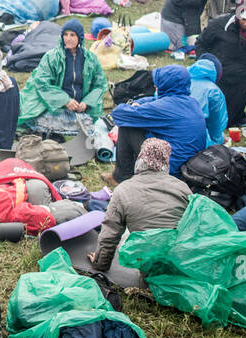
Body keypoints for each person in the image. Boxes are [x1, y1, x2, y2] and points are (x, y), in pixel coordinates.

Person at [91, 138, 191, 273]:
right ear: (166, 162)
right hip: (182, 263)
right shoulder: (182, 187)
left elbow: (110, 234)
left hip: (148, 265)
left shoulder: (123, 189)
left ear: (140, 159)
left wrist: (100, 265)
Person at [108, 65, 206, 185]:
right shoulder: (192, 102)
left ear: (165, 85)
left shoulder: (165, 107)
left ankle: (120, 177)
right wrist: (137, 103)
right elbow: (153, 100)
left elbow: (119, 115)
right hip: (189, 168)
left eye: (157, 83)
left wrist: (131, 106)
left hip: (170, 169)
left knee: (128, 126)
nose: (155, 86)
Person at [18, 20, 107, 139]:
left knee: (88, 125)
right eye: (65, 34)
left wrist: (86, 102)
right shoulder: (52, 57)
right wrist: (65, 100)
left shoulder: (90, 59)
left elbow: (99, 85)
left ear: (79, 37)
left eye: (72, 35)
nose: (68, 38)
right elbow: (41, 82)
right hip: (55, 107)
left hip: (80, 108)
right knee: (43, 120)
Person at [187, 54, 229, 148]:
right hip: (193, 139)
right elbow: (216, 124)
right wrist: (220, 140)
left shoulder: (180, 80)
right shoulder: (214, 91)